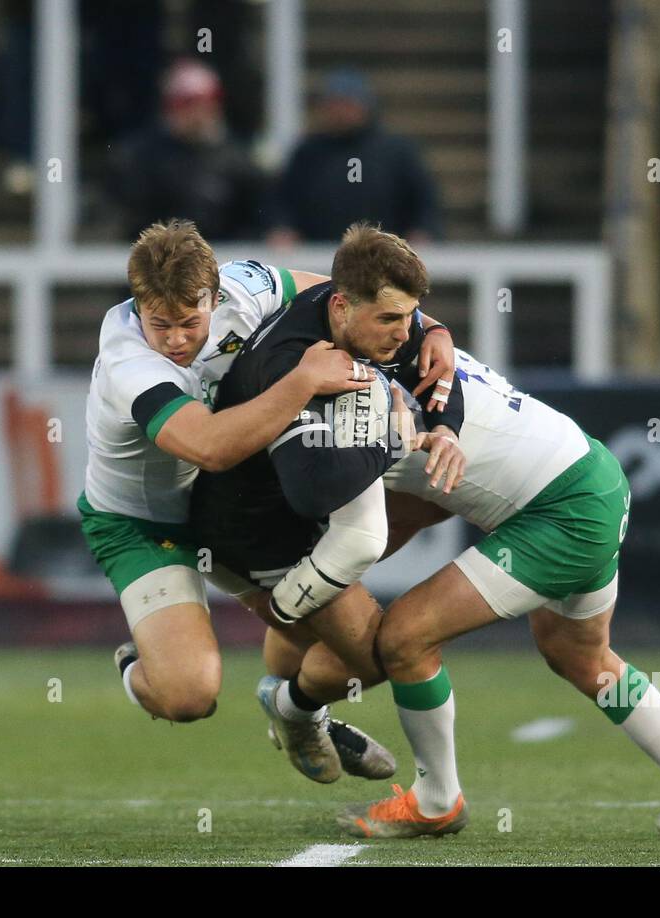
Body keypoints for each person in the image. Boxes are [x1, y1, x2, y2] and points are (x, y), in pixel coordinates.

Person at [264, 347, 660, 839]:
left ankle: (435, 802)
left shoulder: (363, 405)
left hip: (564, 511)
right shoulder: (421, 350)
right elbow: (423, 507)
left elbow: (406, 511)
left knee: (405, 638)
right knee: (584, 658)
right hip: (595, 478)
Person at [83, 220, 453, 775]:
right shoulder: (130, 363)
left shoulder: (246, 285)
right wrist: (302, 381)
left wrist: (432, 329)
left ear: (216, 294)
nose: (177, 340)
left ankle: (298, 713)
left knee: (366, 658)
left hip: (231, 505)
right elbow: (209, 447)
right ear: (139, 307)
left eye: (190, 322)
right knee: (189, 697)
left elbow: (341, 295)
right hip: (144, 524)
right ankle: (143, 667)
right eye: (160, 324)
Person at [190, 224, 466, 783]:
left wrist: (446, 425)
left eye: (411, 315)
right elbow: (313, 491)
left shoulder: (370, 317)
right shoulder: (295, 359)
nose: (403, 332)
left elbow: (436, 372)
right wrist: (394, 440)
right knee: (376, 658)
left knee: (430, 506)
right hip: (252, 530)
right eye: (391, 320)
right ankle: (298, 713)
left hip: (292, 516)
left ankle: (295, 703)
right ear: (340, 307)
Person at [267, 70, 441, 247]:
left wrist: (422, 230)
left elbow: (424, 201)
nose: (341, 111)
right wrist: (283, 227)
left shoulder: (396, 152)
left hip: (383, 257)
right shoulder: (307, 153)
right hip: (319, 254)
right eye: (334, 104)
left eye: (347, 104)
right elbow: (284, 201)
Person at [109, 61, 263, 241]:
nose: (199, 112)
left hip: (220, 259)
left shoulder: (237, 157)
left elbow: (258, 213)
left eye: (208, 101)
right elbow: (127, 219)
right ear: (169, 105)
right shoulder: (140, 158)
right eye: (188, 103)